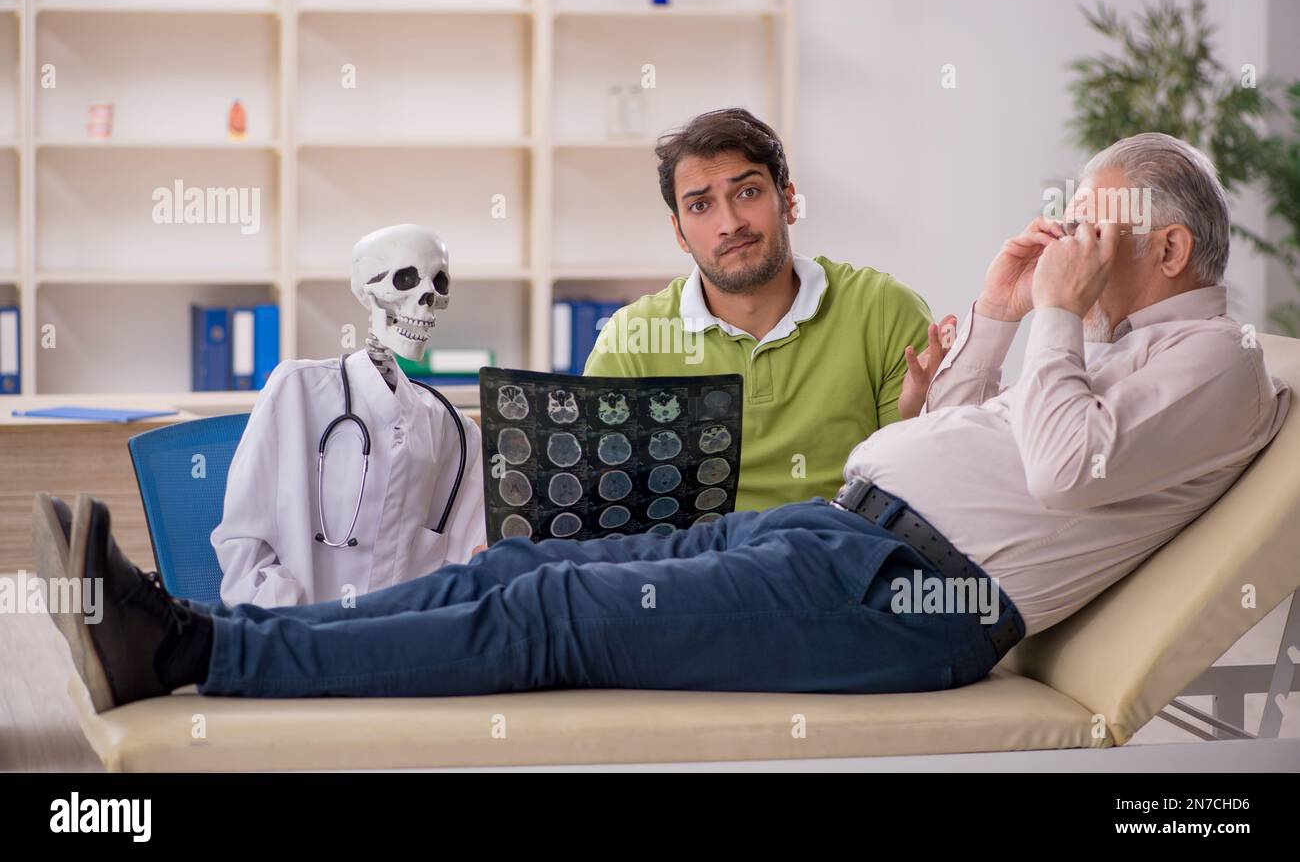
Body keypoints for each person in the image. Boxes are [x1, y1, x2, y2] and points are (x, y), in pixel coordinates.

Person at [36, 133, 1289, 711]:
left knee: (546, 618)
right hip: (844, 536)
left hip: (917, 598)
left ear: (1168, 246)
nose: (1068, 239)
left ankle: (198, 659)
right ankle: (206, 621)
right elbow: (973, 430)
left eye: (1093, 221)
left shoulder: (1223, 364)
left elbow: (1062, 477)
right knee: (521, 564)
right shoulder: (1111, 347)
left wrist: (1058, 318)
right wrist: (1011, 313)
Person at [585, 108, 951, 512]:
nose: (730, 223)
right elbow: (606, 512)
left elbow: (919, 500)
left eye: (747, 193)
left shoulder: (882, 308)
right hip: (692, 567)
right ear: (680, 233)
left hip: (838, 555)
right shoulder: (630, 340)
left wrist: (921, 420)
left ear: (789, 201)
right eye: (701, 206)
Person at [210, 225, 488, 608]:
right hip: (299, 639)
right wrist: (298, 632)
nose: (425, 299)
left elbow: (473, 562)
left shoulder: (454, 430)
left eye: (438, 285)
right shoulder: (296, 390)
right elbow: (244, 548)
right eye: (404, 281)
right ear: (365, 291)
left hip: (407, 649)